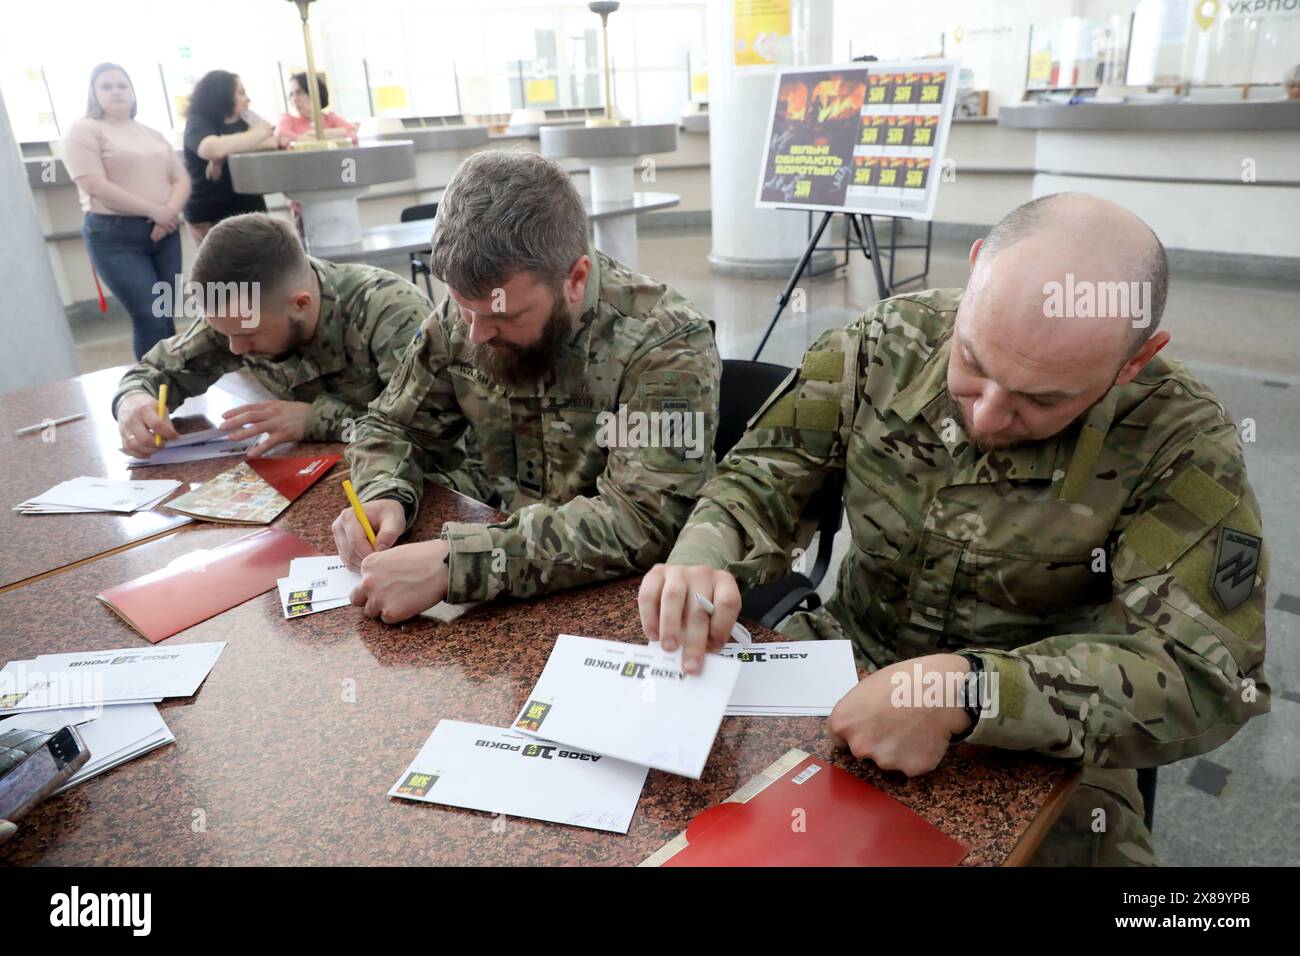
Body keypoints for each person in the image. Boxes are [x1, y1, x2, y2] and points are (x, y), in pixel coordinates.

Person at [638, 193, 1270, 866]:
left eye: (1044, 399)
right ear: (975, 273)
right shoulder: (883, 344)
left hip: (1039, 732)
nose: (990, 417)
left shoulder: (1180, 440)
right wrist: (705, 556)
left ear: (1134, 362)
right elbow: (765, 473)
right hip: (841, 659)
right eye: (972, 363)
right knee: (679, 814)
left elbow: (1212, 672)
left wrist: (970, 692)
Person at [331, 150, 721, 624]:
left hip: (623, 604)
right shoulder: (475, 312)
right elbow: (393, 426)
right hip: (506, 590)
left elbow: (643, 520)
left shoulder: (663, 342)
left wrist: (462, 563)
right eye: (462, 307)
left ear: (575, 279)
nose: (474, 333)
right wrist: (383, 491)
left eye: (503, 316)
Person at [113, 213, 429, 460]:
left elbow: (425, 434)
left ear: (300, 304)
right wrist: (133, 401)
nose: (236, 348)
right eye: (227, 334)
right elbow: (158, 369)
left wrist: (318, 421)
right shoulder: (240, 315)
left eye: (247, 334)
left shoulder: (390, 312)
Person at [61, 63, 191, 359]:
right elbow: (94, 184)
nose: (116, 91)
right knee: (149, 315)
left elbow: (180, 178)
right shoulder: (84, 130)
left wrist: (168, 212)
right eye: (105, 86)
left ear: (133, 93)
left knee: (166, 312)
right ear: (93, 94)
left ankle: (173, 383)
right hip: (115, 236)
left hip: (164, 232)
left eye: (122, 85)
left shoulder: (152, 133)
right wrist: (154, 211)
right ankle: (151, 389)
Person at [181, 70, 277, 246]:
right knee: (223, 270)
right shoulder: (198, 122)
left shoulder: (247, 118)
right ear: (222, 95)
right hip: (210, 215)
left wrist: (227, 152)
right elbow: (211, 148)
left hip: (248, 210)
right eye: (240, 93)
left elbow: (272, 141)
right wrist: (256, 135)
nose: (247, 99)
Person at [275, 72, 357, 146]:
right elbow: (281, 136)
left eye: (299, 92)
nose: (294, 99)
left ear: (315, 93)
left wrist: (312, 133)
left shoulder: (330, 118)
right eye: (291, 94)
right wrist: (336, 134)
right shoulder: (288, 119)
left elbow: (352, 135)